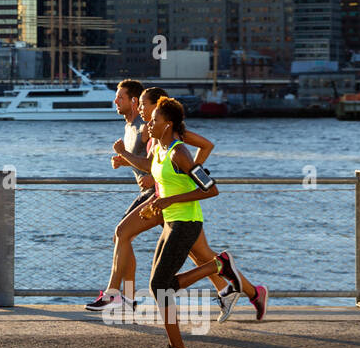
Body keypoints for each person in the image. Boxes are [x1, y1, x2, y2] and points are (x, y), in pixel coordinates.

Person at [104, 87, 268, 322]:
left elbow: (206, 158)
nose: (140, 109)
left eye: (144, 104)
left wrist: (186, 180)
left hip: (175, 206)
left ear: (161, 113)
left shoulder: (175, 141)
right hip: (164, 204)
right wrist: (129, 161)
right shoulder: (155, 137)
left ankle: (120, 295)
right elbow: (152, 165)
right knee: (199, 254)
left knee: (124, 235)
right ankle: (246, 291)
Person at [113, 97, 241, 348]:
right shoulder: (159, 151)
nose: (149, 123)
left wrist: (169, 201)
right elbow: (153, 172)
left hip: (187, 223)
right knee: (159, 286)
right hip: (171, 222)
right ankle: (218, 266)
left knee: (160, 286)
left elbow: (211, 189)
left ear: (168, 124)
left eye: (155, 120)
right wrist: (153, 205)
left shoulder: (179, 153)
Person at [85, 79, 153, 312]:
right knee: (122, 237)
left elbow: (165, 155)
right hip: (148, 192)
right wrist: (124, 161)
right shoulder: (129, 126)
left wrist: (153, 176)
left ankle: (115, 295)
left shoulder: (145, 126)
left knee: (121, 234)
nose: (115, 100)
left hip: (158, 193)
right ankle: (130, 298)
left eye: (120, 97)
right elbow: (142, 161)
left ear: (134, 101)